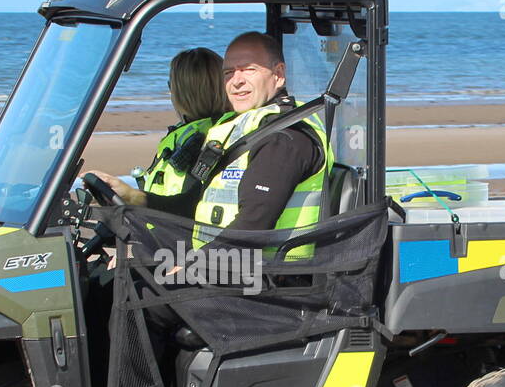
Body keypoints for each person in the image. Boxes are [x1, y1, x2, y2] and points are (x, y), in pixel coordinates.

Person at [94, 31, 332, 243]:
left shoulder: (284, 140)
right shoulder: (245, 130)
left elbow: (252, 226)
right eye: (229, 72)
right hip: (225, 266)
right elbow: (193, 205)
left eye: (250, 69)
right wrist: (135, 197)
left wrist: (193, 265)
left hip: (264, 278)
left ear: (278, 75)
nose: (237, 81)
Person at [139, 48, 231, 199]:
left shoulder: (201, 143)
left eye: (171, 85)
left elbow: (185, 205)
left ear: (181, 93)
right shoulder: (231, 130)